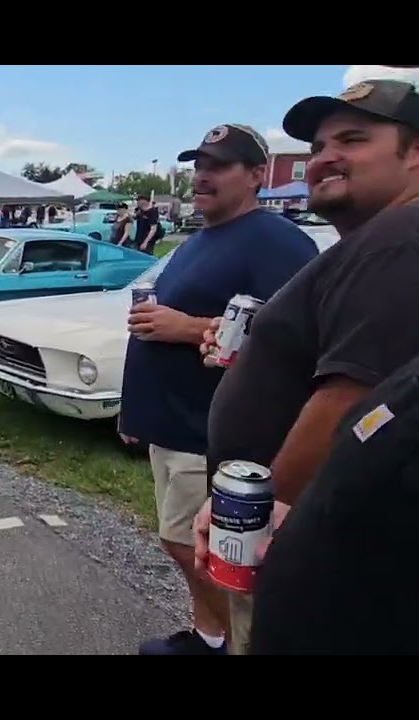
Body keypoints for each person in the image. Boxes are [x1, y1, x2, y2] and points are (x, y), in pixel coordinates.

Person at [189, 65, 419, 655]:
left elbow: (351, 396)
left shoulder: (408, 235)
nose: (322, 158)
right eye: (317, 146)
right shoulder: (378, 241)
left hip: (302, 550)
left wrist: (257, 514)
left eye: (352, 140)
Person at [121, 122, 319, 656]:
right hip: (173, 426)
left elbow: (298, 338)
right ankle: (208, 638)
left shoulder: (276, 241)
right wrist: (137, 416)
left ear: (257, 175)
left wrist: (185, 328)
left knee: (204, 551)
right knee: (182, 542)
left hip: (211, 435)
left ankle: (244, 644)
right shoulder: (201, 237)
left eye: (218, 166)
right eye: (198, 165)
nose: (202, 176)